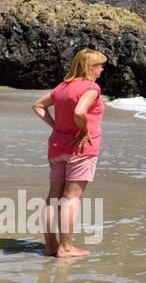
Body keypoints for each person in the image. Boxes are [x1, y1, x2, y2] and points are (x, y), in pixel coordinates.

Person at [31, 49, 108, 258]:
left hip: (57, 146)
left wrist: (56, 127)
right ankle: (65, 248)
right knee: (71, 198)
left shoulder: (63, 86)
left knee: (53, 198)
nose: (102, 69)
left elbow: (38, 105)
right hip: (81, 148)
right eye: (100, 65)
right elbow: (79, 112)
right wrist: (84, 130)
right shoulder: (91, 88)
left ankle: (50, 246)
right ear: (91, 67)